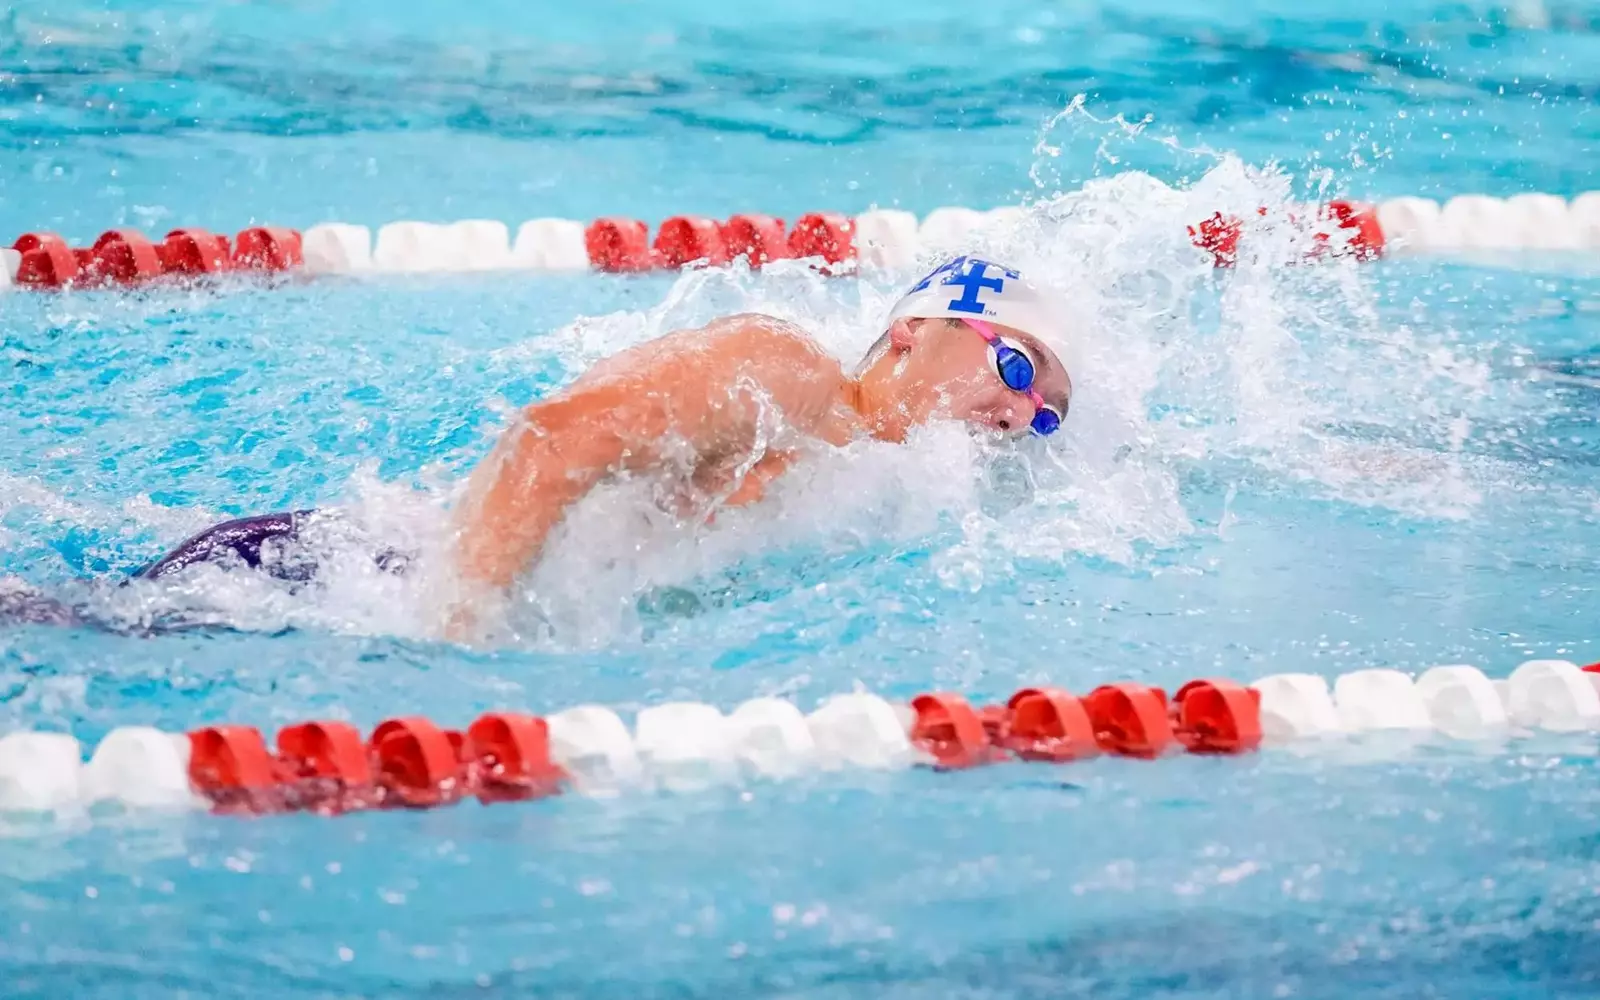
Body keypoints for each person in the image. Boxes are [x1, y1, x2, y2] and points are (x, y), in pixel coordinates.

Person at [3, 255, 1075, 634]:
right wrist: (457, 634)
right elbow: (552, 441)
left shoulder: (869, 489)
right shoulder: (789, 373)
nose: (1017, 416)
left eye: (1045, 415)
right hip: (327, 578)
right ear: (912, 329)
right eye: (1019, 369)